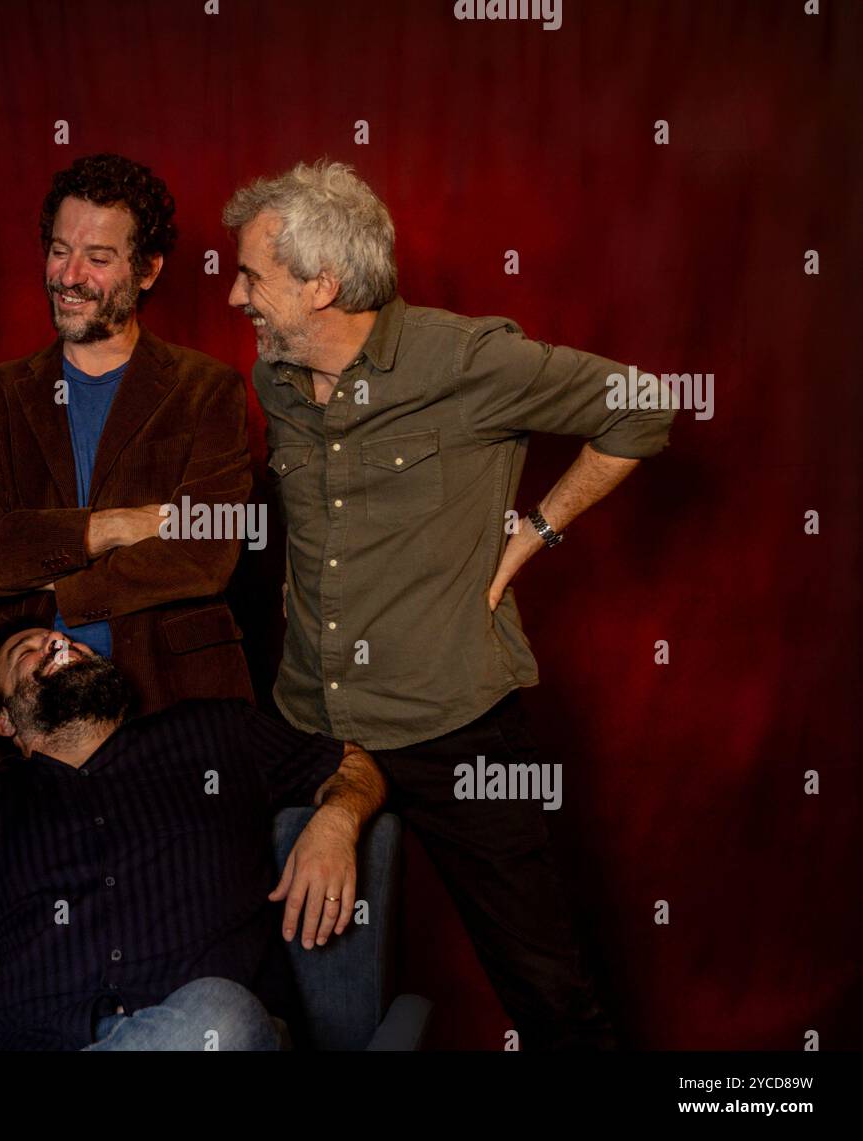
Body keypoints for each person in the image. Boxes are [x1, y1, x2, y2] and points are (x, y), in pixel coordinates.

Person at [222, 160, 678, 1050]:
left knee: (551, 994)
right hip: (311, 722)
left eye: (251, 275)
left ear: (322, 283)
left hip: (453, 719)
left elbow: (644, 407)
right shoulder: (277, 378)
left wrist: (539, 528)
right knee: (254, 953)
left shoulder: (465, 359)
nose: (235, 294)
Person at [0, 619, 386, 1050]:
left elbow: (353, 765)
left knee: (220, 1016)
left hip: (209, 1038)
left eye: (68, 640)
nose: (57, 640)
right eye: (26, 652)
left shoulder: (216, 732)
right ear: (5, 723)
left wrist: (336, 820)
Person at [0, 153, 255, 772]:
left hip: (174, 708)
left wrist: (54, 575)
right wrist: (109, 527)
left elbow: (206, 552)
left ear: (147, 271)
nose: (70, 275)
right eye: (60, 251)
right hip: (23, 734)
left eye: (99, 258)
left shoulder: (205, 388)